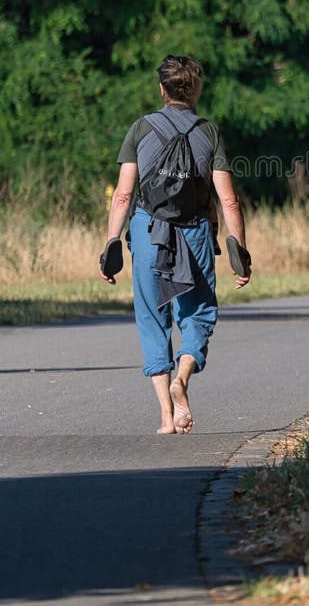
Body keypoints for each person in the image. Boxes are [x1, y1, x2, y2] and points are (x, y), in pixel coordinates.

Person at [100, 55, 251, 434]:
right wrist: (238, 250)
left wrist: (110, 244)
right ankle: (182, 376)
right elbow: (228, 199)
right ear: (195, 89)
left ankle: (167, 417)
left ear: (161, 88)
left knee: (152, 318)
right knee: (198, 311)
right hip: (195, 232)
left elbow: (122, 195)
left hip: (148, 231)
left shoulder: (140, 129)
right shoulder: (209, 132)